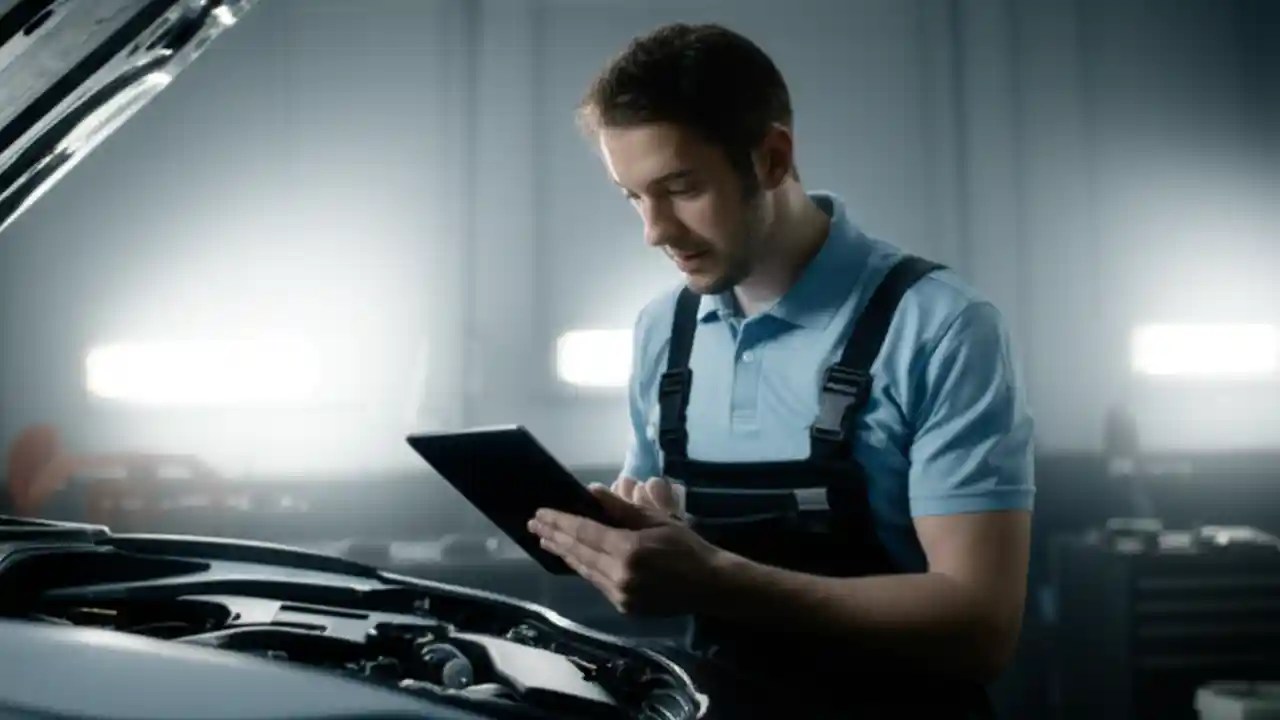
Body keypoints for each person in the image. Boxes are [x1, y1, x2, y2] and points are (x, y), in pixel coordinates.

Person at [526, 22, 1034, 718]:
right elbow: (658, 529)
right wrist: (624, 546)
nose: (656, 231)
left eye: (680, 186)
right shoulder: (660, 333)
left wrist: (718, 581)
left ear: (771, 158)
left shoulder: (940, 327)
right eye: (634, 197)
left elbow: (981, 630)